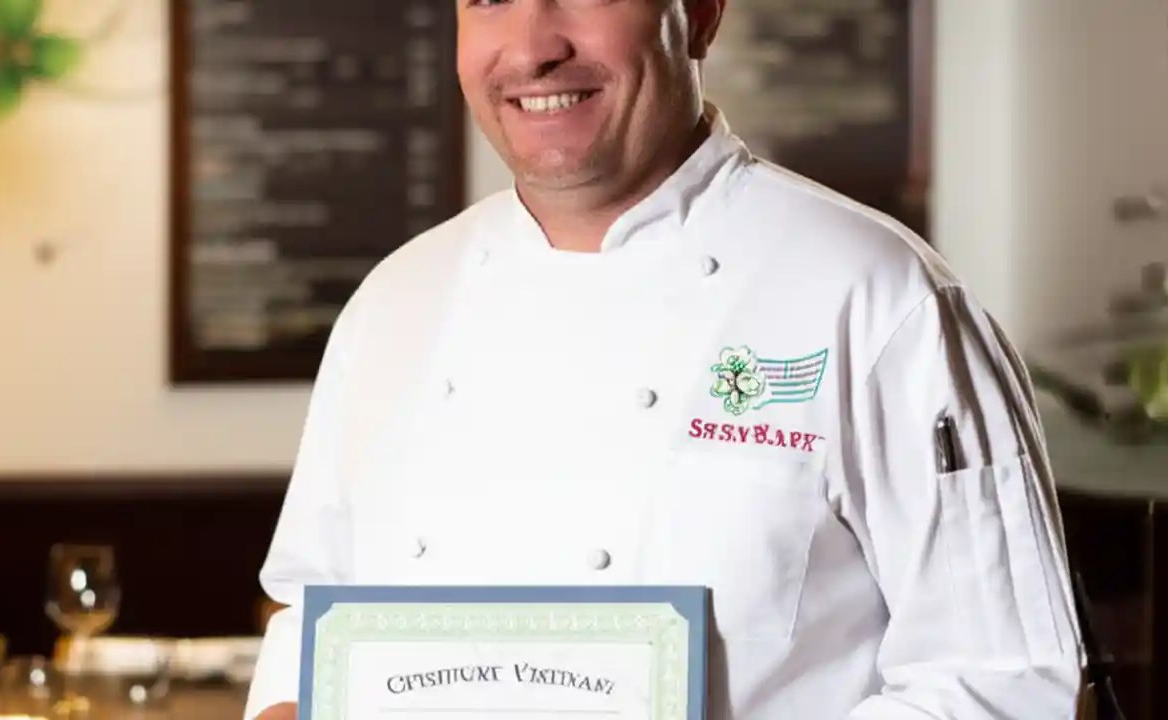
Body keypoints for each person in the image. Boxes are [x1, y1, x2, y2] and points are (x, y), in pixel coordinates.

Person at [245, 0, 1085, 718]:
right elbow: (313, 609)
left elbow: (1004, 683)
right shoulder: (396, 300)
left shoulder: (878, 295)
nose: (535, 47)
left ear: (702, 14)